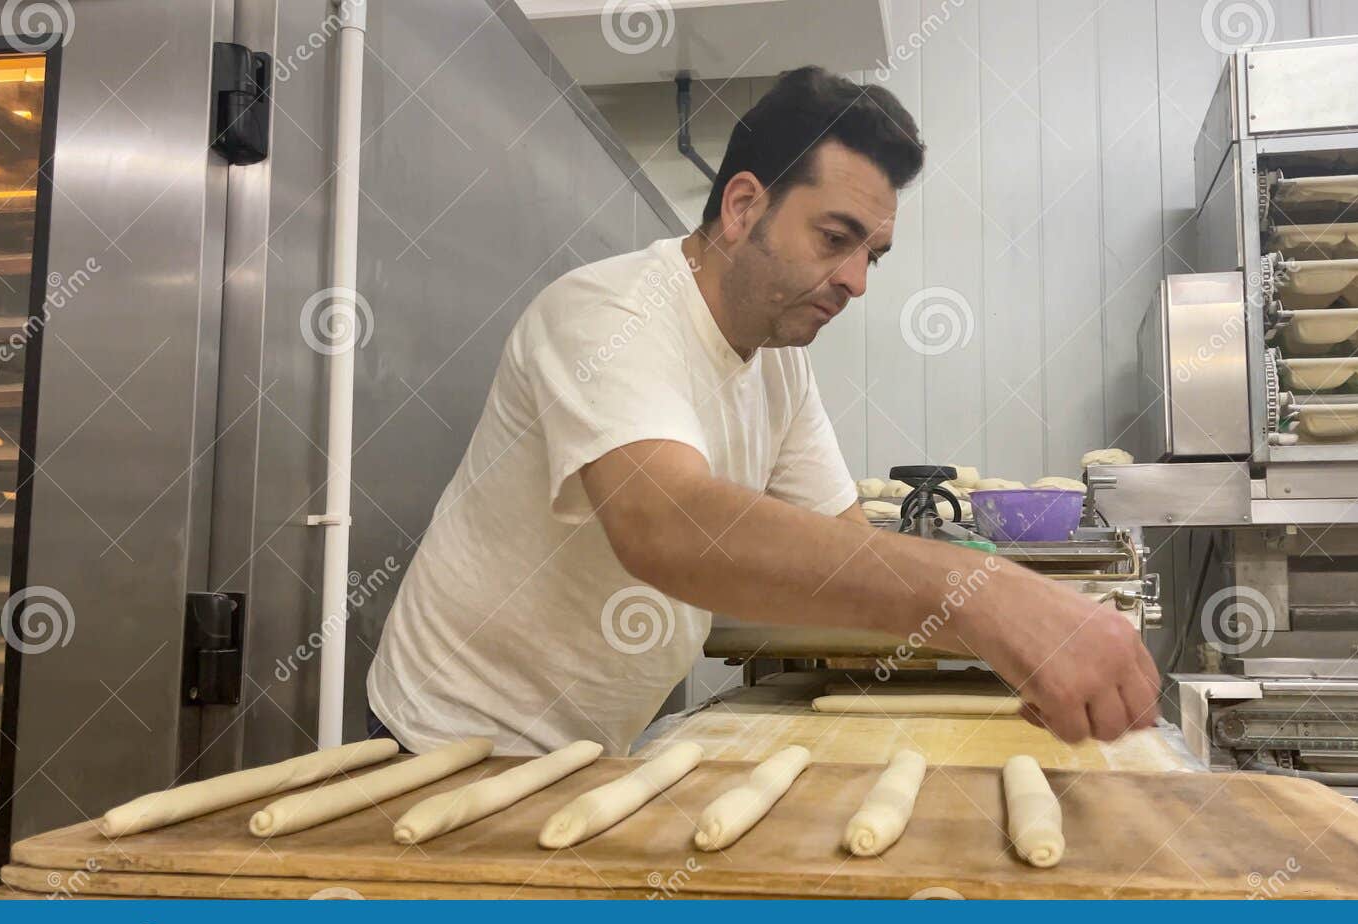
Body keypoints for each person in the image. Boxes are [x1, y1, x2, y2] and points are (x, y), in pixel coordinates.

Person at [365, 66, 1159, 756]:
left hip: (588, 752)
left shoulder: (780, 369)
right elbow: (666, 524)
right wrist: (990, 596)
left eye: (871, 256)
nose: (856, 282)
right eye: (836, 238)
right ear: (743, 205)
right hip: (446, 742)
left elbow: (846, 555)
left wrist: (1009, 650)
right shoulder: (609, 314)